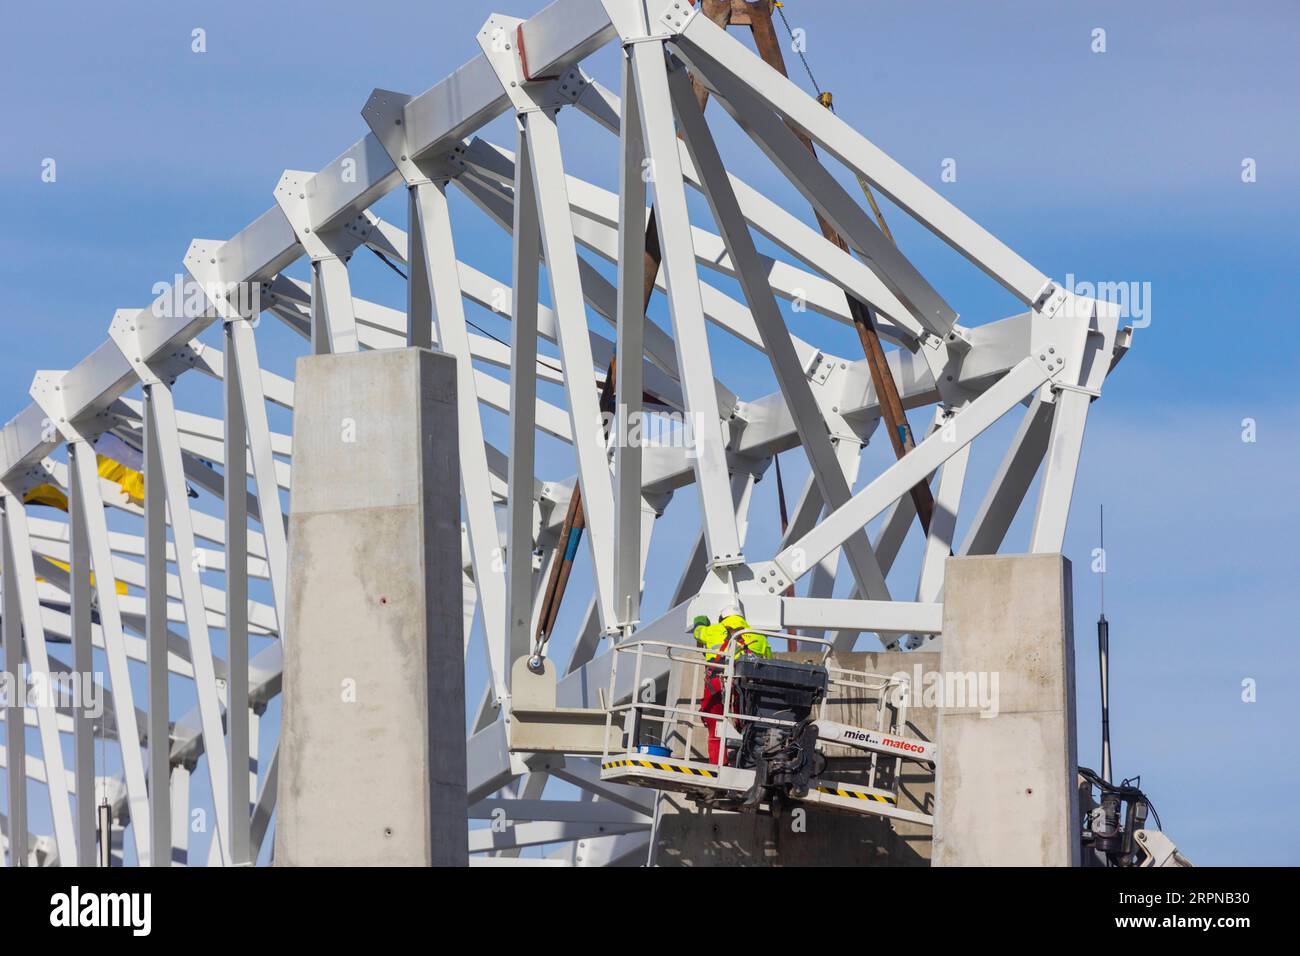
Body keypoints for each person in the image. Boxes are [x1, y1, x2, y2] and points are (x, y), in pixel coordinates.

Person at [689, 605, 772, 765]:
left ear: (722, 619)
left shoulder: (712, 630)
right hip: (747, 688)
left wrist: (700, 620)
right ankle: (747, 762)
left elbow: (697, 632)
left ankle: (718, 764)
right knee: (748, 726)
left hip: (717, 685)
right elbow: (769, 663)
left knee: (715, 725)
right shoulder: (760, 637)